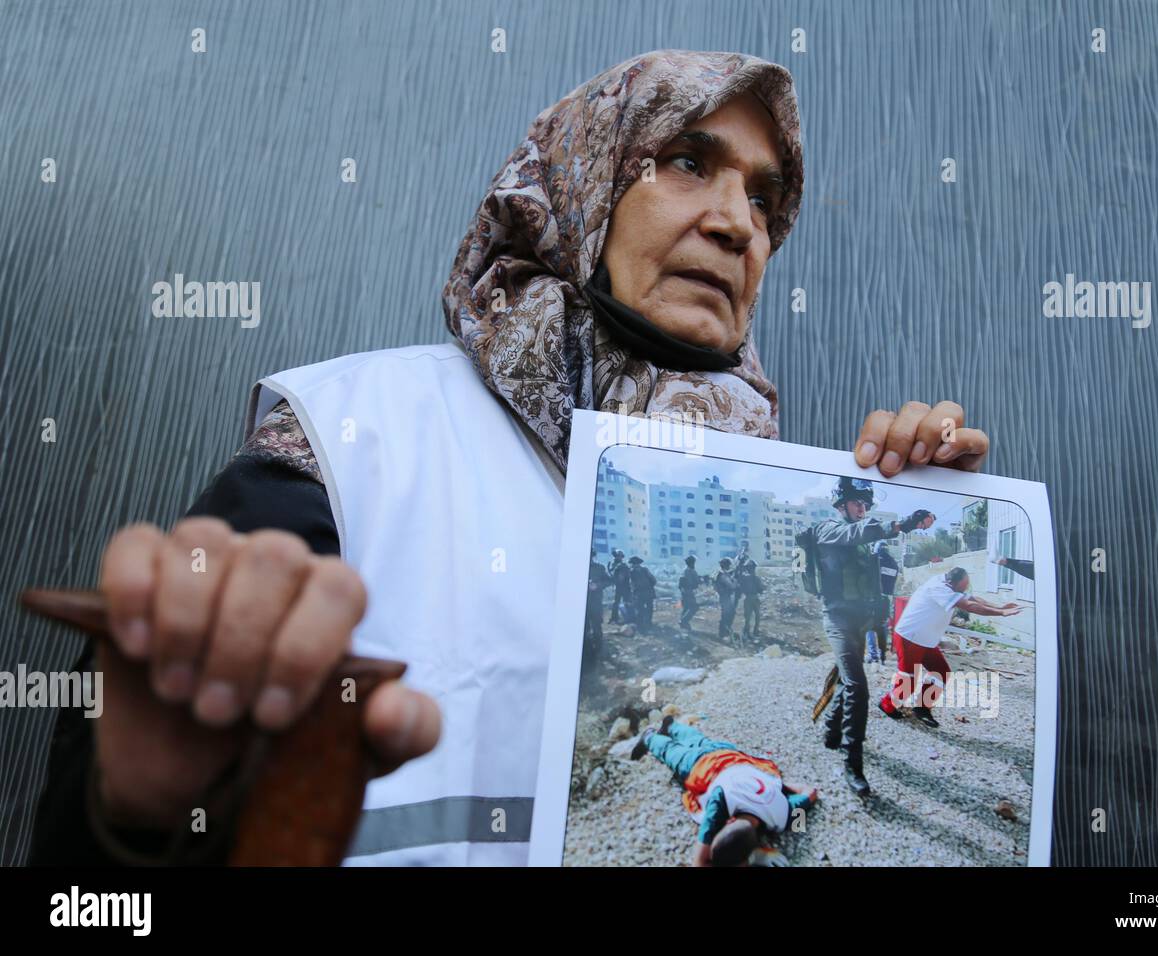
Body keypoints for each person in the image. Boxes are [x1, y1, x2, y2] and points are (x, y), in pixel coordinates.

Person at [28, 49, 989, 867]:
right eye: (689, 161)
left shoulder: (789, 482)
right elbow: (100, 855)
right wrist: (138, 817)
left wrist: (921, 499)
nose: (740, 222)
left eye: (766, 198)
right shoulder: (361, 437)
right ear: (584, 182)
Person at [810, 477, 935, 796]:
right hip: (837, 619)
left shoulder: (863, 539)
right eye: (856, 503)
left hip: (860, 620)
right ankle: (853, 765)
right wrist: (901, 525)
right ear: (841, 506)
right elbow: (855, 533)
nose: (862, 509)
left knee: (847, 681)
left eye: (865, 504)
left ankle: (831, 731)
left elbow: (877, 580)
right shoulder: (829, 529)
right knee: (858, 686)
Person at [630, 716, 817, 866]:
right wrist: (791, 828)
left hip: (731, 755)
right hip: (701, 764)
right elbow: (700, 862)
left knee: (699, 741)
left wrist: (779, 787)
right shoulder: (721, 801)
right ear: (731, 820)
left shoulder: (783, 813)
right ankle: (652, 735)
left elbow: (809, 793)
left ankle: (671, 725)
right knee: (671, 751)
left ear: (732, 820)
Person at [879, 567, 1021, 728]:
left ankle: (922, 708)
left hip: (926, 639)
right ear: (953, 583)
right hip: (910, 637)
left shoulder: (948, 582)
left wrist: (1001, 607)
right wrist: (1001, 614)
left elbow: (973, 598)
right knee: (908, 680)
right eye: (964, 585)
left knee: (940, 672)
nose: (966, 589)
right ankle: (887, 705)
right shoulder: (938, 589)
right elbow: (969, 605)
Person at [867, 541, 900, 664]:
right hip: (886, 599)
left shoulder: (873, 561)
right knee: (883, 626)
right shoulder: (894, 564)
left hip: (872, 598)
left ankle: (872, 655)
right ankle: (882, 655)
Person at [586, 549, 614, 657]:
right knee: (584, 630)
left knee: (597, 627)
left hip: (595, 602)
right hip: (579, 605)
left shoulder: (599, 568)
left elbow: (609, 581)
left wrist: (597, 586)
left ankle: (598, 650)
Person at [713, 558, 740, 644]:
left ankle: (725, 630)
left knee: (729, 613)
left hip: (725, 596)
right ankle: (723, 633)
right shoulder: (723, 576)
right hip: (725, 597)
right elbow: (732, 586)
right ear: (726, 565)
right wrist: (735, 581)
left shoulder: (722, 574)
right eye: (728, 565)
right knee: (727, 614)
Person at [737, 558, 765, 643]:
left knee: (749, 617)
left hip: (749, 598)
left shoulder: (745, 578)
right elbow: (761, 589)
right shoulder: (754, 578)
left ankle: (748, 632)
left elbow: (739, 574)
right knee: (755, 616)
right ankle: (753, 631)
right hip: (753, 598)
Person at [628, 556, 657, 630]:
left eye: (634, 563)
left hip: (642, 593)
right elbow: (653, 580)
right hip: (644, 593)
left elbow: (653, 580)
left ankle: (643, 624)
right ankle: (645, 624)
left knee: (644, 609)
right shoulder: (642, 570)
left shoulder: (633, 572)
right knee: (644, 609)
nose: (633, 565)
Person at [678, 555, 703, 633]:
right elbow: (696, 582)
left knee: (686, 608)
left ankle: (683, 624)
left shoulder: (684, 570)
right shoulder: (691, 571)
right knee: (694, 607)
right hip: (689, 592)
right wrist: (702, 580)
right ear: (692, 563)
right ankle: (683, 621)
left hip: (684, 592)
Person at [607, 550, 632, 625]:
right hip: (620, 587)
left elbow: (626, 576)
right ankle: (615, 618)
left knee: (626, 602)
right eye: (618, 556)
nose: (619, 557)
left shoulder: (621, 565)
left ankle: (628, 618)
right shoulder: (616, 565)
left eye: (620, 556)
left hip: (623, 586)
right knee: (618, 603)